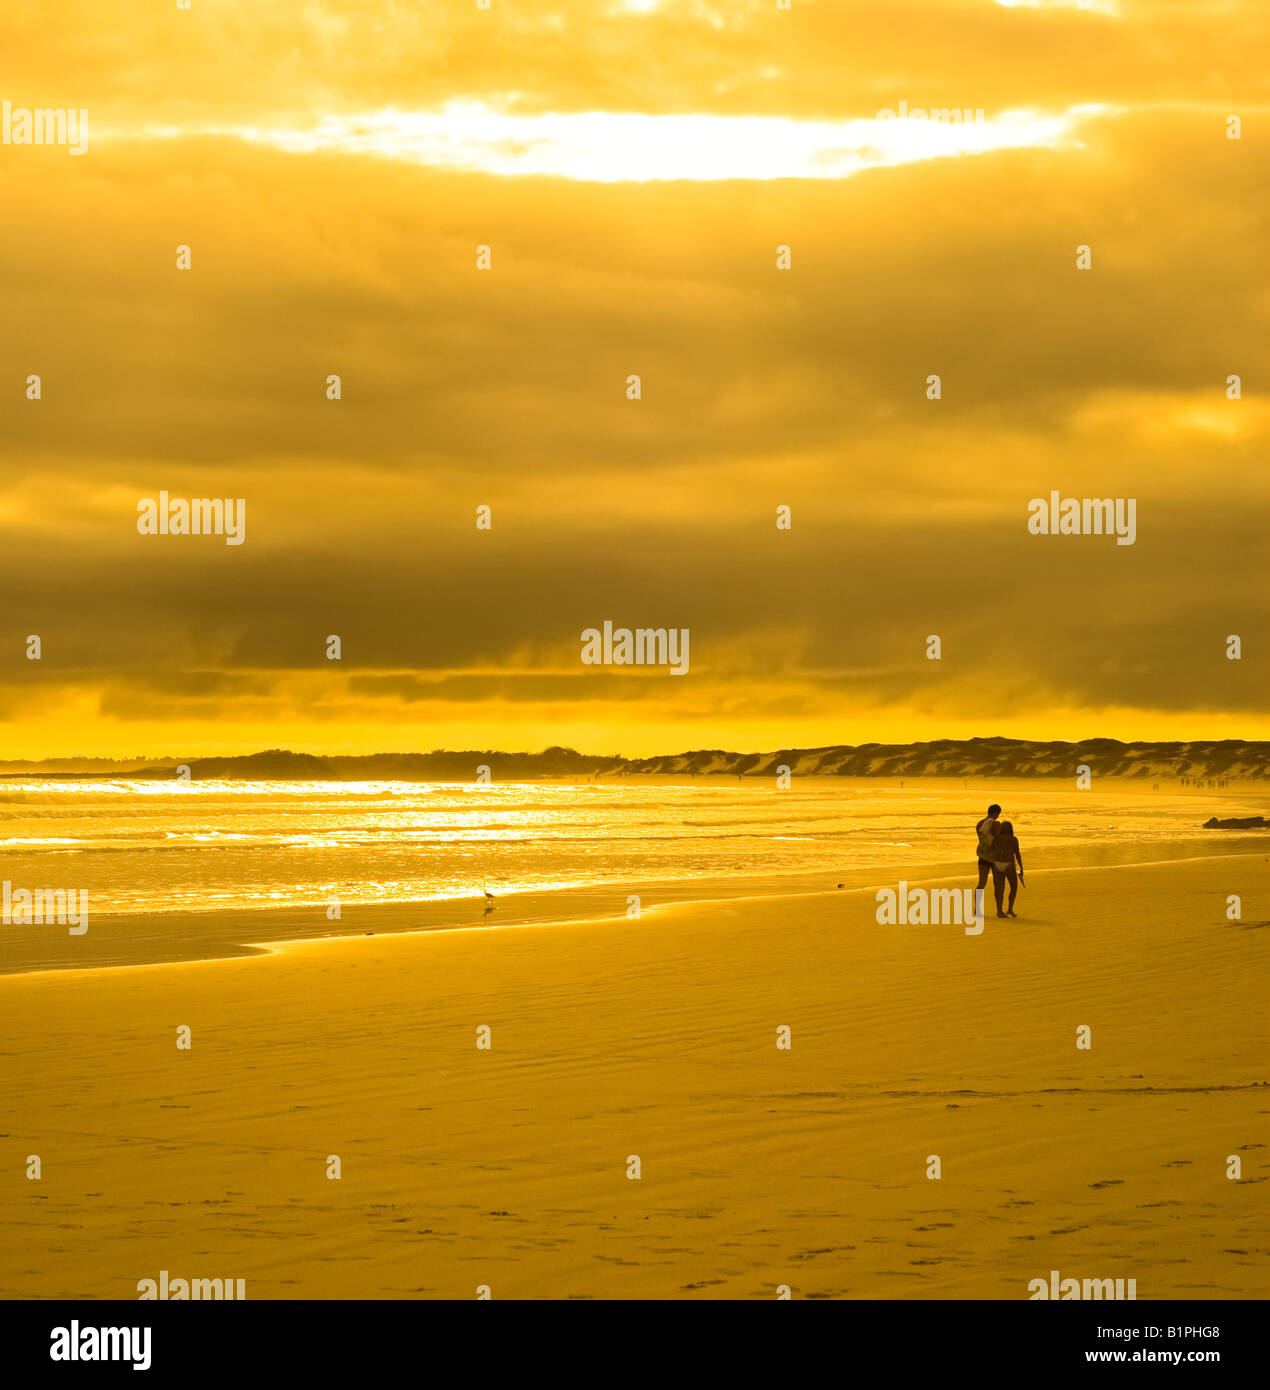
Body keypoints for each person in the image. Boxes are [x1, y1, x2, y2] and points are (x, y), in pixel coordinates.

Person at [975, 803, 1004, 916]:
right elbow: (997, 840)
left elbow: (982, 838)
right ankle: (999, 911)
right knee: (998, 884)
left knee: (981, 883)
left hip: (982, 855)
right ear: (996, 813)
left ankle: (977, 910)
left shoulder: (979, 824)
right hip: (994, 857)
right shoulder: (994, 824)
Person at [994, 820, 1024, 917]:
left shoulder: (996, 838)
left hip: (997, 864)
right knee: (1014, 887)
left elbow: (991, 851)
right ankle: (1010, 909)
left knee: (999, 888)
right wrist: (1021, 868)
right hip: (1009, 865)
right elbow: (1017, 854)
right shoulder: (1013, 839)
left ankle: (999, 911)